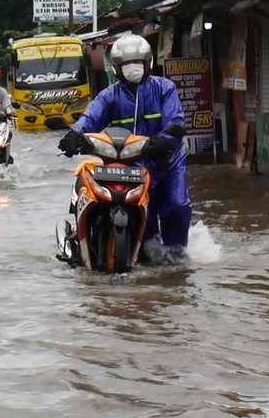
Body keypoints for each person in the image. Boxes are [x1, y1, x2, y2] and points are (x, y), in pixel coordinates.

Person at [58, 33, 191, 259]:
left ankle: (178, 255)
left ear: (148, 63)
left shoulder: (164, 88)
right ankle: (140, 251)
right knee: (140, 211)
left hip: (167, 161)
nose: (133, 68)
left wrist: (164, 140)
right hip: (129, 163)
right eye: (126, 64)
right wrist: (73, 135)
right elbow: (90, 118)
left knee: (177, 205)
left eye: (137, 62)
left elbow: (176, 121)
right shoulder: (109, 96)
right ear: (116, 68)